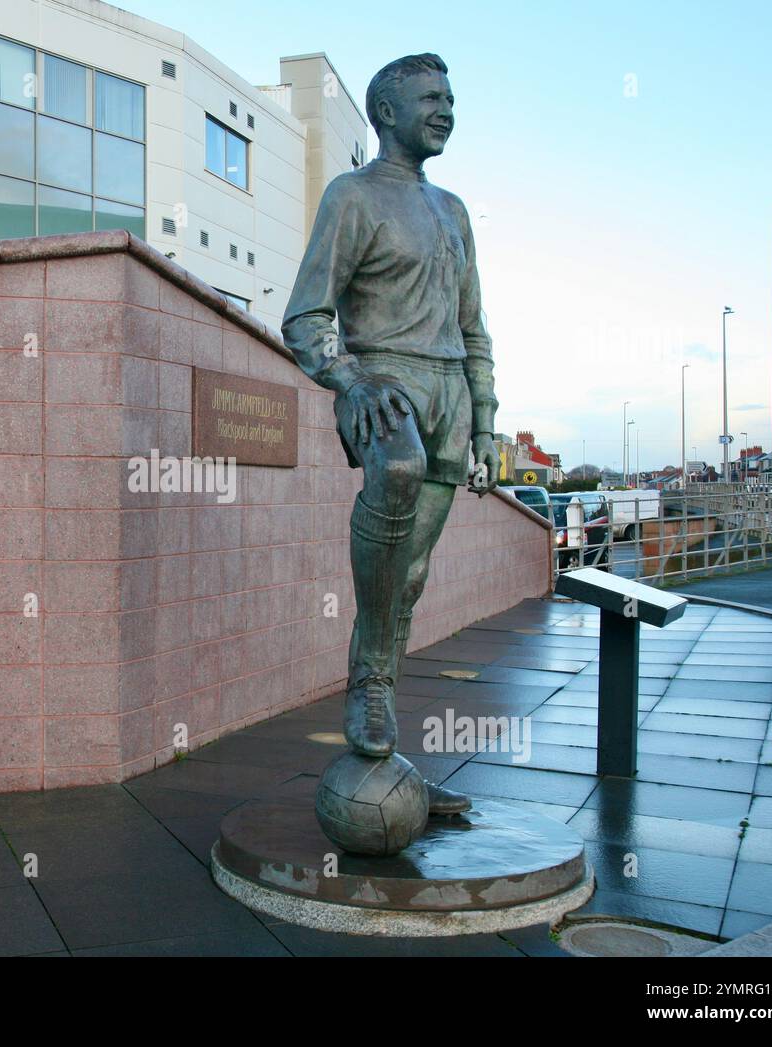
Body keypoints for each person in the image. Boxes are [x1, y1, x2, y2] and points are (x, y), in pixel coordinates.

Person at [282, 54, 498, 815]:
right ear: (385, 111)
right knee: (396, 469)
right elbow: (306, 316)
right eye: (431, 98)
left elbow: (474, 326)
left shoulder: (455, 210)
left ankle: (384, 725)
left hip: (449, 394)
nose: (446, 109)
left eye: (451, 96)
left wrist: (488, 417)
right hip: (382, 385)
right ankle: (368, 686)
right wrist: (351, 377)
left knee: (408, 580)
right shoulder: (352, 196)